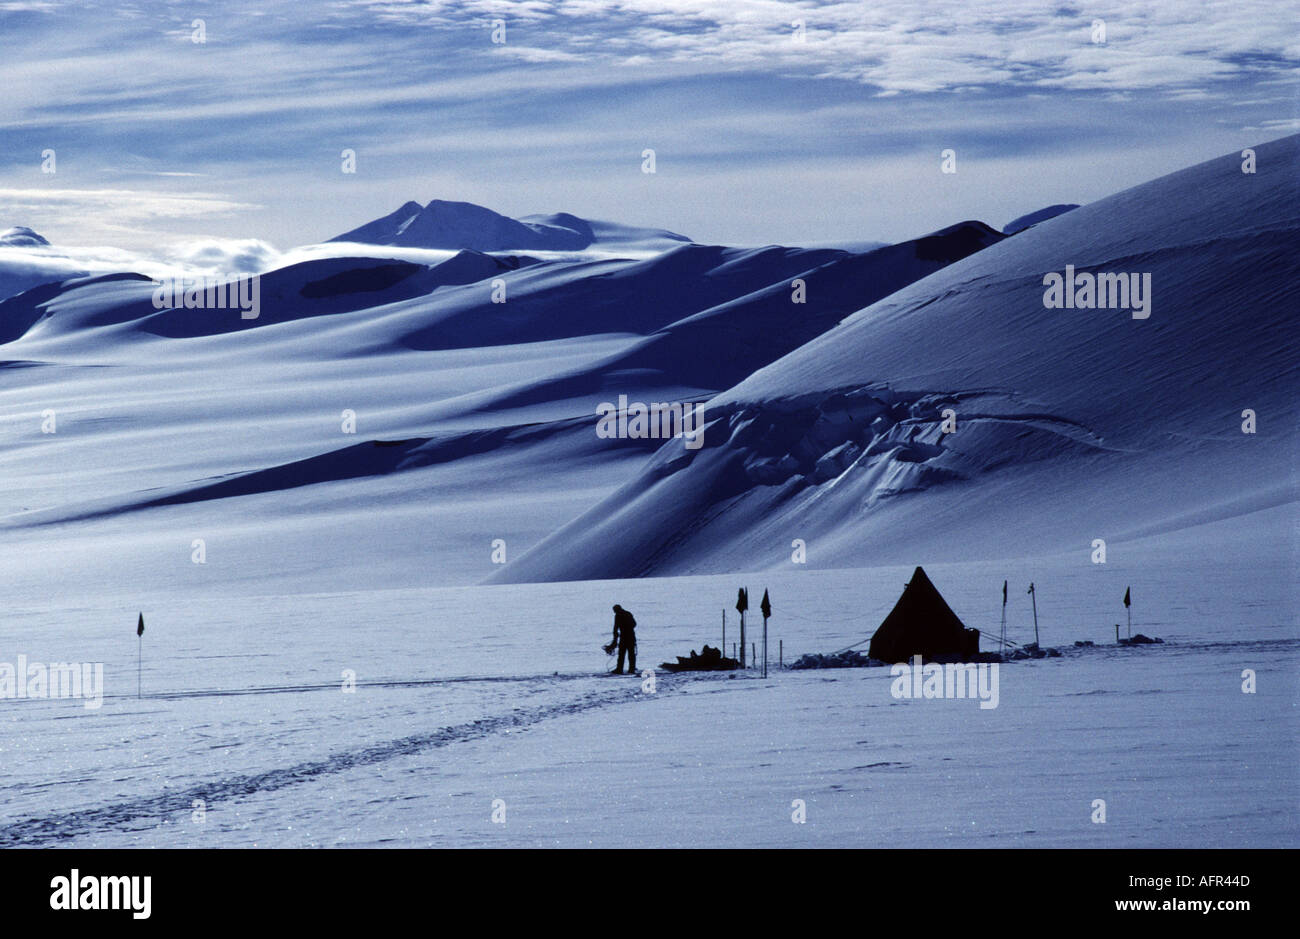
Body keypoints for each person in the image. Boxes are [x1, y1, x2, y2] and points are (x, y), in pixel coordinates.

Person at [607, 604, 637, 674]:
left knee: (622, 654)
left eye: (614, 611)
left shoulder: (618, 615)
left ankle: (619, 669)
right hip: (631, 636)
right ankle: (631, 669)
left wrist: (615, 639)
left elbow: (615, 628)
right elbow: (634, 624)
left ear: (617, 610)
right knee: (631, 654)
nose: (614, 612)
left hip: (624, 637)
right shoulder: (628, 613)